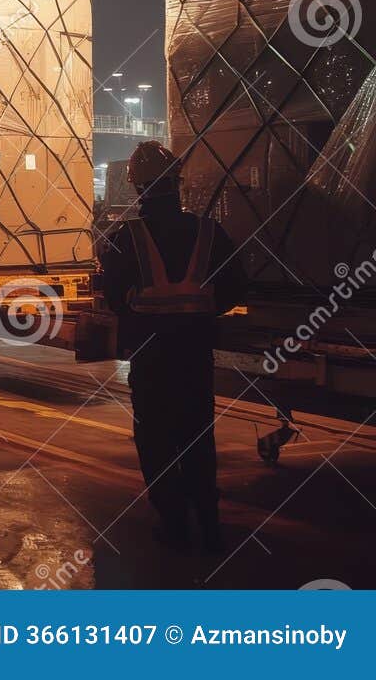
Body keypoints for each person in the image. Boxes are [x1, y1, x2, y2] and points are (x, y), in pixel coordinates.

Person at [100, 141, 246, 552]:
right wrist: (200, 311)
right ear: (176, 185)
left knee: (157, 442)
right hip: (195, 355)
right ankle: (210, 525)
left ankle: (175, 523)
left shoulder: (125, 238)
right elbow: (235, 287)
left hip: (151, 359)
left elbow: (114, 298)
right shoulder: (209, 231)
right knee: (199, 438)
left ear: (138, 188)